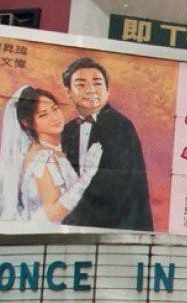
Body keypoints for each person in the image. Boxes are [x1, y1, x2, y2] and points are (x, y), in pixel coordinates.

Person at [58, 57, 153, 231]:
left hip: (115, 226)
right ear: (68, 92)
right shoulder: (66, 130)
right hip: (72, 226)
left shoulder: (121, 126)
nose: (91, 90)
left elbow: (121, 187)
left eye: (97, 83)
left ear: (107, 91)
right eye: (81, 84)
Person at [0, 85, 102, 224]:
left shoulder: (48, 149)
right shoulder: (43, 158)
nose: (54, 117)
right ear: (27, 122)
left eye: (55, 109)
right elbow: (53, 214)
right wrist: (87, 176)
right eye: (43, 115)